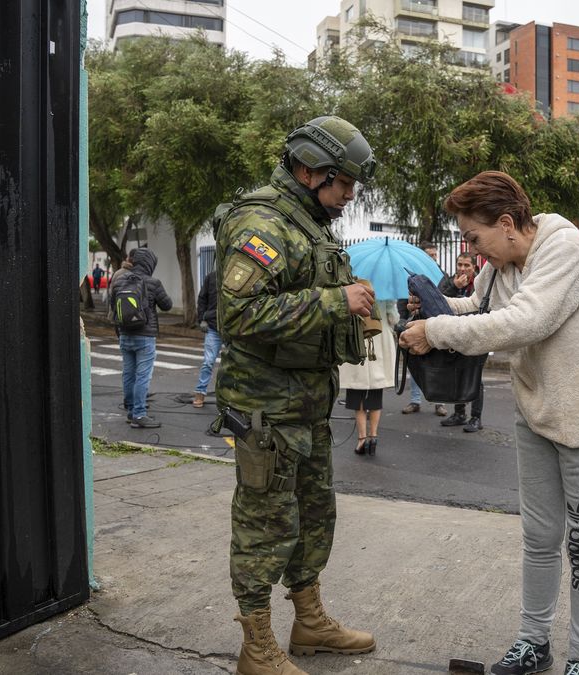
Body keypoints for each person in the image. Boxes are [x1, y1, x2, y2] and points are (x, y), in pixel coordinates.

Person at [399, 171, 579, 675]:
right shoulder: (500, 264)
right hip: (537, 415)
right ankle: (534, 642)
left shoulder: (564, 249)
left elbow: (525, 321)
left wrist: (437, 332)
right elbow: (480, 308)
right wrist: (431, 311)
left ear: (507, 223)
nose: (473, 248)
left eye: (475, 237)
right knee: (540, 538)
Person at [212, 115, 378, 675]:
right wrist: (337, 303)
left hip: (305, 404)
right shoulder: (262, 222)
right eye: (343, 184)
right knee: (265, 522)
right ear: (310, 170)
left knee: (312, 513)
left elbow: (304, 300)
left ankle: (308, 621)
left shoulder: (309, 224)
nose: (348, 197)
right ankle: (256, 647)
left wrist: (351, 305)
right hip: (264, 408)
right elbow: (239, 315)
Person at [106, 248, 173, 429]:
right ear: (149, 263)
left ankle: (130, 411)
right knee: (142, 376)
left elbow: (113, 307)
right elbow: (167, 305)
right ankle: (139, 414)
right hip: (145, 336)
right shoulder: (153, 283)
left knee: (128, 374)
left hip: (125, 334)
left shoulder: (119, 281)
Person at [339, 300, 399, 456]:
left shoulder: (354, 287)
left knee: (356, 389)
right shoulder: (385, 292)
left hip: (357, 338)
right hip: (380, 338)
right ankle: (373, 437)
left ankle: (361, 439)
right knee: (375, 392)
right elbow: (394, 318)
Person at [399, 242, 448, 418]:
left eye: (435, 255)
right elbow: (403, 301)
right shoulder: (412, 277)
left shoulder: (443, 276)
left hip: (438, 326)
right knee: (416, 365)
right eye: (430, 255)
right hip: (416, 325)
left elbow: (447, 297)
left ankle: (440, 402)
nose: (433, 258)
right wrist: (404, 319)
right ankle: (415, 400)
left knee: (439, 364)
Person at [439, 252, 487, 432]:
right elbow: (438, 299)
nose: (462, 268)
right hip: (455, 336)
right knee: (456, 375)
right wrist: (454, 286)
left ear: (474, 267)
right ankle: (459, 413)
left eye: (467, 265)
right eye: (460, 264)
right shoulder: (449, 281)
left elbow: (484, 307)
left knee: (475, 377)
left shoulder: (480, 284)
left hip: (476, 336)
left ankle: (476, 417)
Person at [193, 270, 222, 409]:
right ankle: (200, 393)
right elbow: (202, 298)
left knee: (233, 364)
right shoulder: (212, 277)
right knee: (208, 362)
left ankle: (231, 396)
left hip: (231, 328)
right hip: (212, 327)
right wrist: (202, 319)